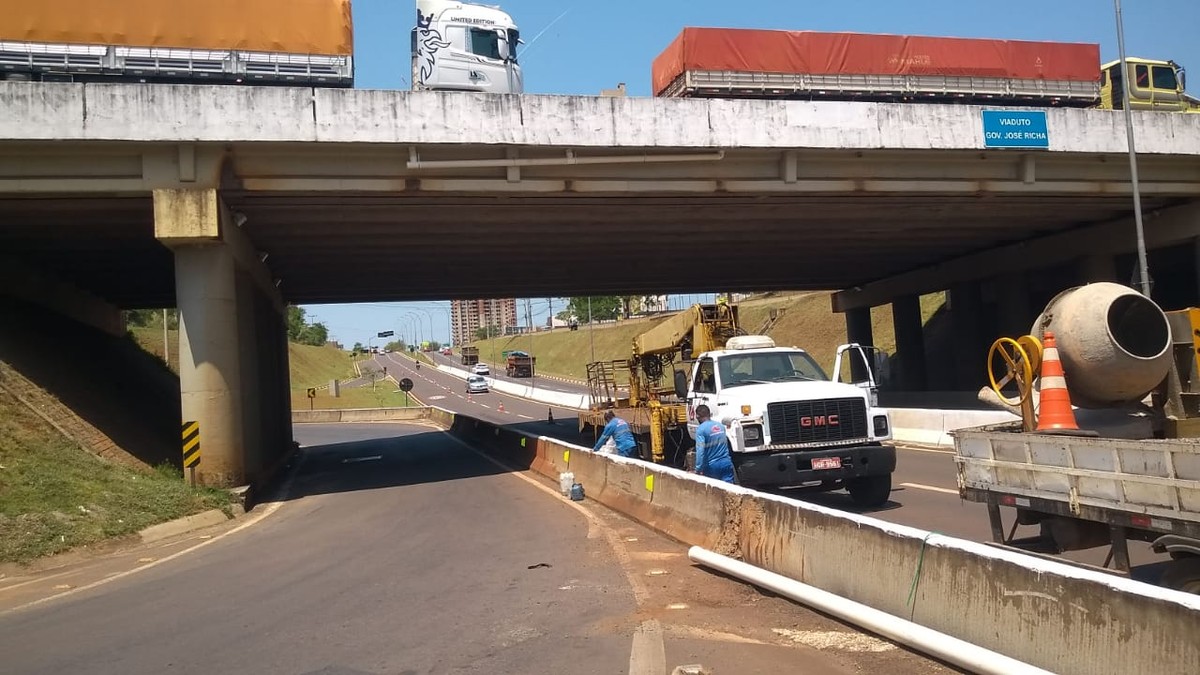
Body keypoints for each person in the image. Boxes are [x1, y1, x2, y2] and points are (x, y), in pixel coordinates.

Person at [693, 404, 736, 483]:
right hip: (726, 462)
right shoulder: (721, 426)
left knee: (713, 492)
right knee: (729, 491)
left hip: (711, 466)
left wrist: (698, 469)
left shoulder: (701, 430)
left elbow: (700, 451)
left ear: (698, 416)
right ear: (709, 414)